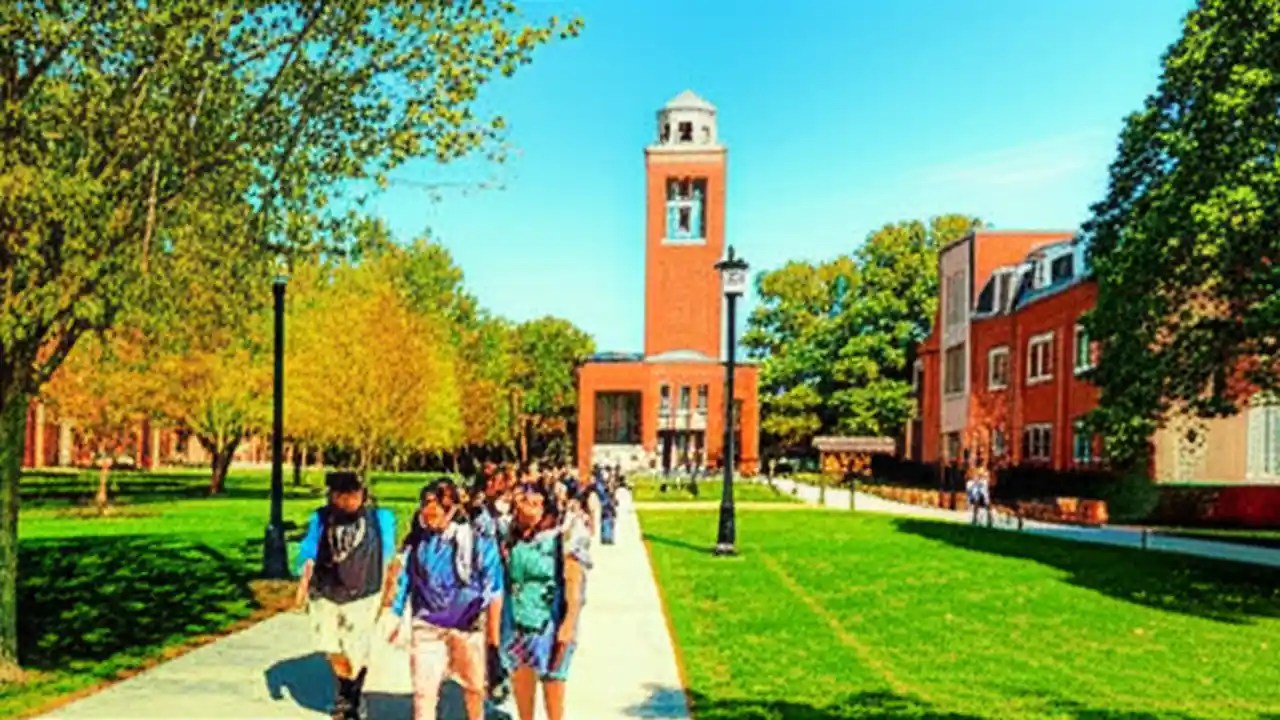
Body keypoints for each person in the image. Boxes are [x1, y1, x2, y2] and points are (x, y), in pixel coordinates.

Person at [386, 478, 504, 720]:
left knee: (473, 687)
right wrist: (395, 614)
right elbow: (406, 578)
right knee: (423, 691)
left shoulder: (475, 539)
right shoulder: (419, 540)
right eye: (425, 513)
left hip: (467, 626)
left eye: (435, 513)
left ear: (450, 510)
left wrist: (494, 640)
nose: (429, 519)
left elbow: (494, 586)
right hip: (427, 624)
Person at [295, 471, 398, 720]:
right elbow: (308, 550)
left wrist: (391, 588)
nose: (348, 501)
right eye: (341, 495)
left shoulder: (380, 518)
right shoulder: (320, 519)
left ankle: (349, 698)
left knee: (357, 648)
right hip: (325, 591)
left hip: (365, 591)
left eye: (354, 495)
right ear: (332, 496)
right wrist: (303, 578)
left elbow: (389, 555)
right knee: (330, 646)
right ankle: (346, 690)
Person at [502, 481, 591, 720]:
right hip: (519, 625)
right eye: (522, 503)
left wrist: (568, 624)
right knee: (522, 689)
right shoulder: (510, 533)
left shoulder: (564, 535)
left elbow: (575, 582)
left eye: (534, 503)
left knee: (553, 682)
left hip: (551, 622)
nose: (526, 508)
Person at [967, 458, 993, 527]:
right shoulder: (976, 470)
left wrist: (983, 478)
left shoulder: (986, 471)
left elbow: (988, 480)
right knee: (977, 504)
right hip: (978, 489)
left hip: (983, 489)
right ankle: (975, 519)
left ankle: (989, 519)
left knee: (987, 504)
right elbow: (974, 479)